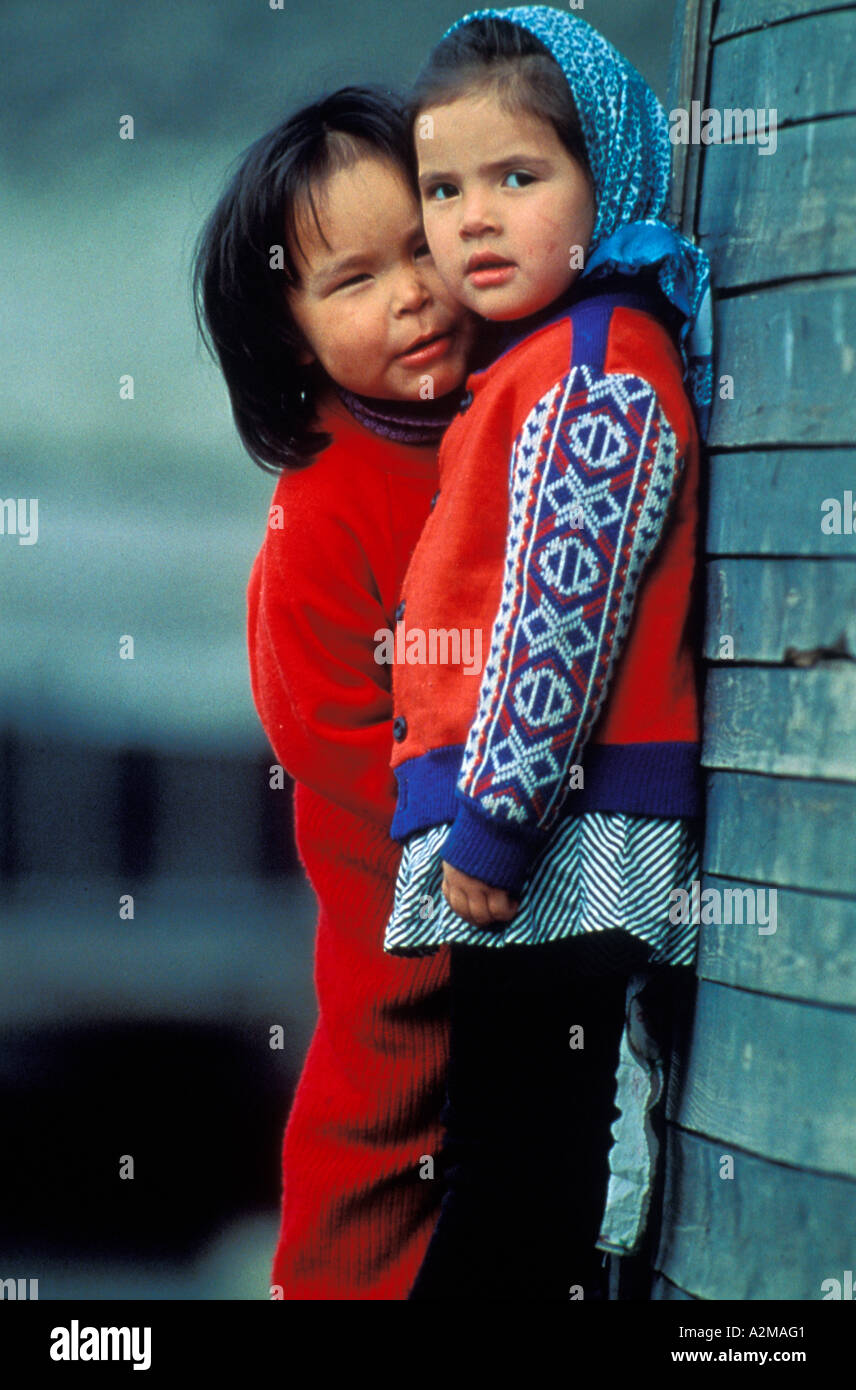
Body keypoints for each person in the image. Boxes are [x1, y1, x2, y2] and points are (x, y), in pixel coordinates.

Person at [381, 8, 713, 1300]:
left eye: (520, 179)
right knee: (521, 1152)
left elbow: (560, 629)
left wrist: (496, 824)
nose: (473, 218)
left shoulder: (596, 368)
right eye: (445, 188)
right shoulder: (537, 361)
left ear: (609, 177)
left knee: (518, 1170)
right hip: (530, 845)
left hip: (552, 845)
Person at [193, 86, 478, 1299]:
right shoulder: (317, 518)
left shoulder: (518, 402)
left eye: (424, 244)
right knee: (385, 1097)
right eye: (353, 280)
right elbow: (328, 737)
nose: (410, 291)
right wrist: (462, 843)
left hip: (527, 829)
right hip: (399, 870)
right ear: (291, 333)